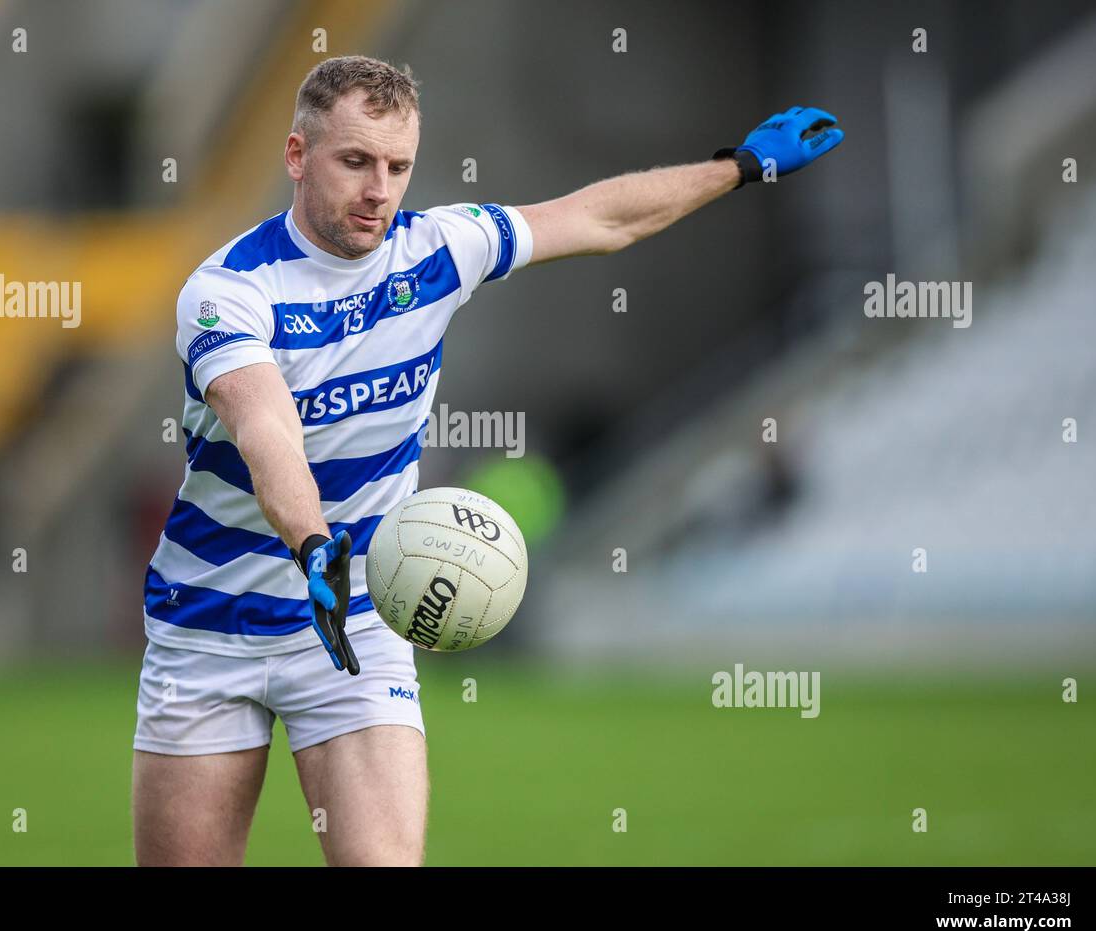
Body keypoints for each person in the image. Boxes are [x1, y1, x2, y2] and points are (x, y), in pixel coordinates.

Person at [132, 54, 843, 866]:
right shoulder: (229, 291)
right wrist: (311, 543)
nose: (379, 190)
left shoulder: (440, 250)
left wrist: (739, 167)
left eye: (398, 166)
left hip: (355, 618)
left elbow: (601, 220)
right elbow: (266, 428)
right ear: (298, 157)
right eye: (355, 161)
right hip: (208, 624)